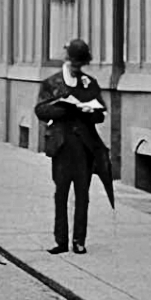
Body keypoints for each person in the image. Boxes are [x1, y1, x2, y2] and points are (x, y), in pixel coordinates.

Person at [33, 38, 114, 255]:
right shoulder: (52, 83)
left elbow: (101, 114)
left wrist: (91, 111)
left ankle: (79, 240)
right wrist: (65, 108)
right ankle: (60, 240)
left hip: (85, 147)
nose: (78, 68)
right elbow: (40, 111)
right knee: (60, 194)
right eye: (75, 64)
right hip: (61, 146)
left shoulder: (89, 82)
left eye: (81, 65)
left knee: (82, 195)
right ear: (67, 59)